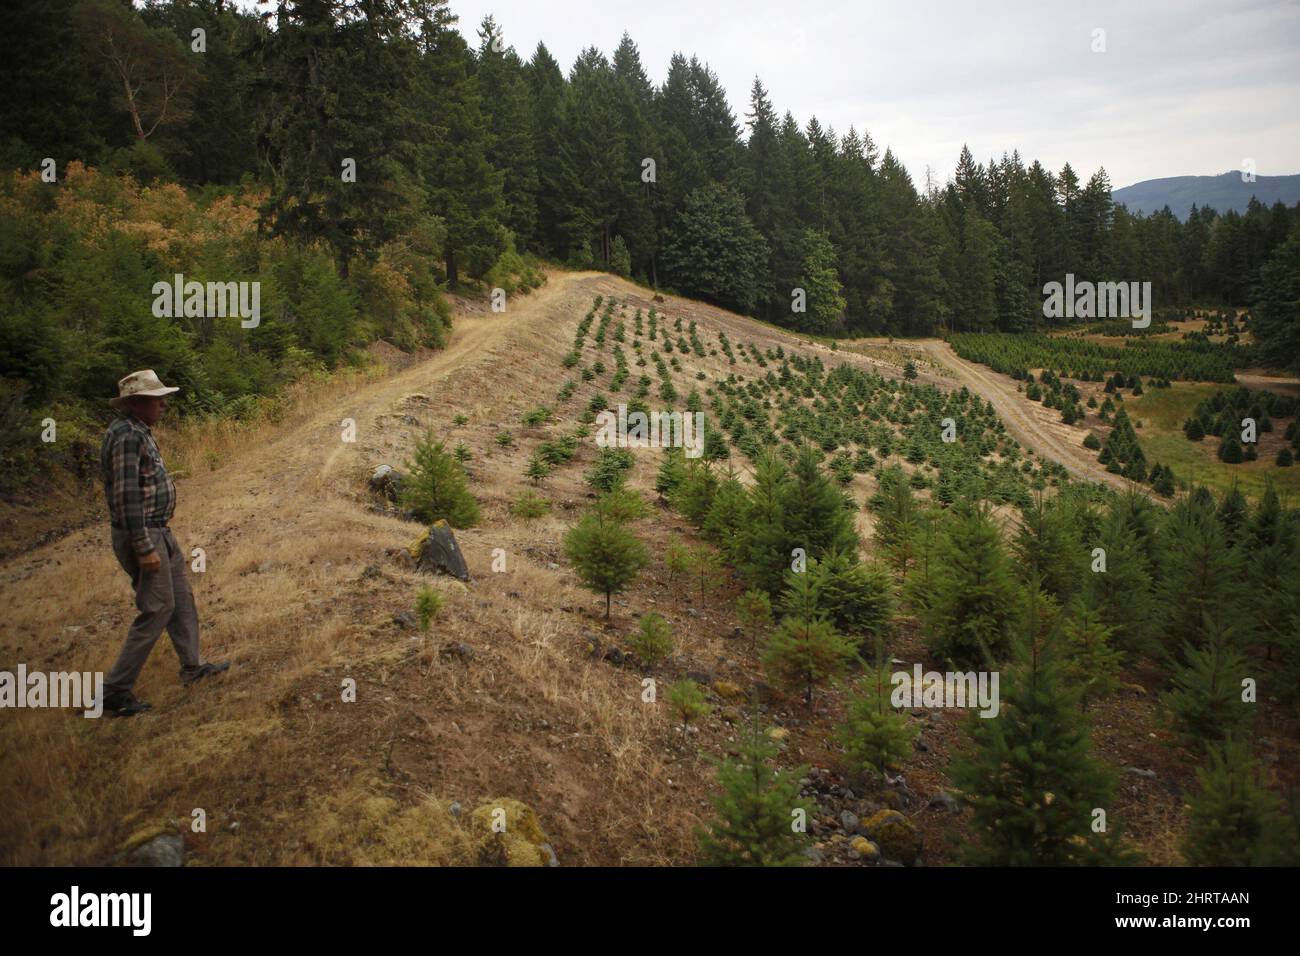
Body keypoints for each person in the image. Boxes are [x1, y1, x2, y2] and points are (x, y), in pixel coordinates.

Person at [99, 369, 229, 716]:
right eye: (157, 399)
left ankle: (193, 666)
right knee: (157, 608)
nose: (164, 405)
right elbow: (127, 497)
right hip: (144, 532)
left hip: (159, 529)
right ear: (137, 403)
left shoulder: (139, 430)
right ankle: (114, 691)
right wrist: (144, 547)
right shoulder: (127, 435)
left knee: (181, 600)